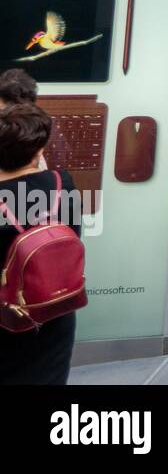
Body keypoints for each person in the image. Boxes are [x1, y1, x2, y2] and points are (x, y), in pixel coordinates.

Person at [0, 103, 79, 384]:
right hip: (54, 309)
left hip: (6, 315)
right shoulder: (62, 184)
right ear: (39, 148)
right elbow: (73, 234)